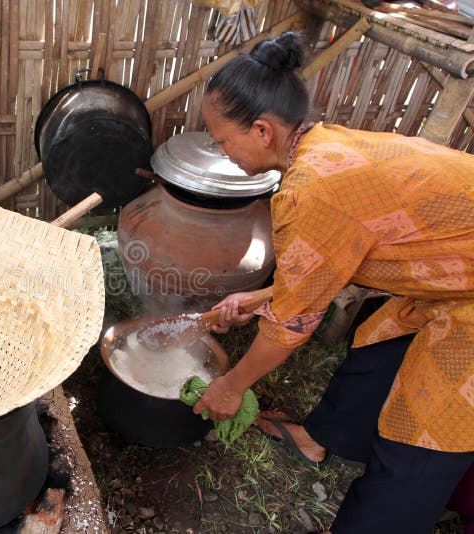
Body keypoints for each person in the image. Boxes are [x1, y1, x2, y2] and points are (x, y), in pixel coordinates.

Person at [191, 31, 474, 533]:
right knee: (378, 353)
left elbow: (292, 325)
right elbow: (325, 268)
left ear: (261, 131)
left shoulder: (312, 193)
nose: (221, 150)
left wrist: (231, 387)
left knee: (420, 435)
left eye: (222, 139)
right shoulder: (324, 147)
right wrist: (258, 296)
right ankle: (322, 439)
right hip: (451, 280)